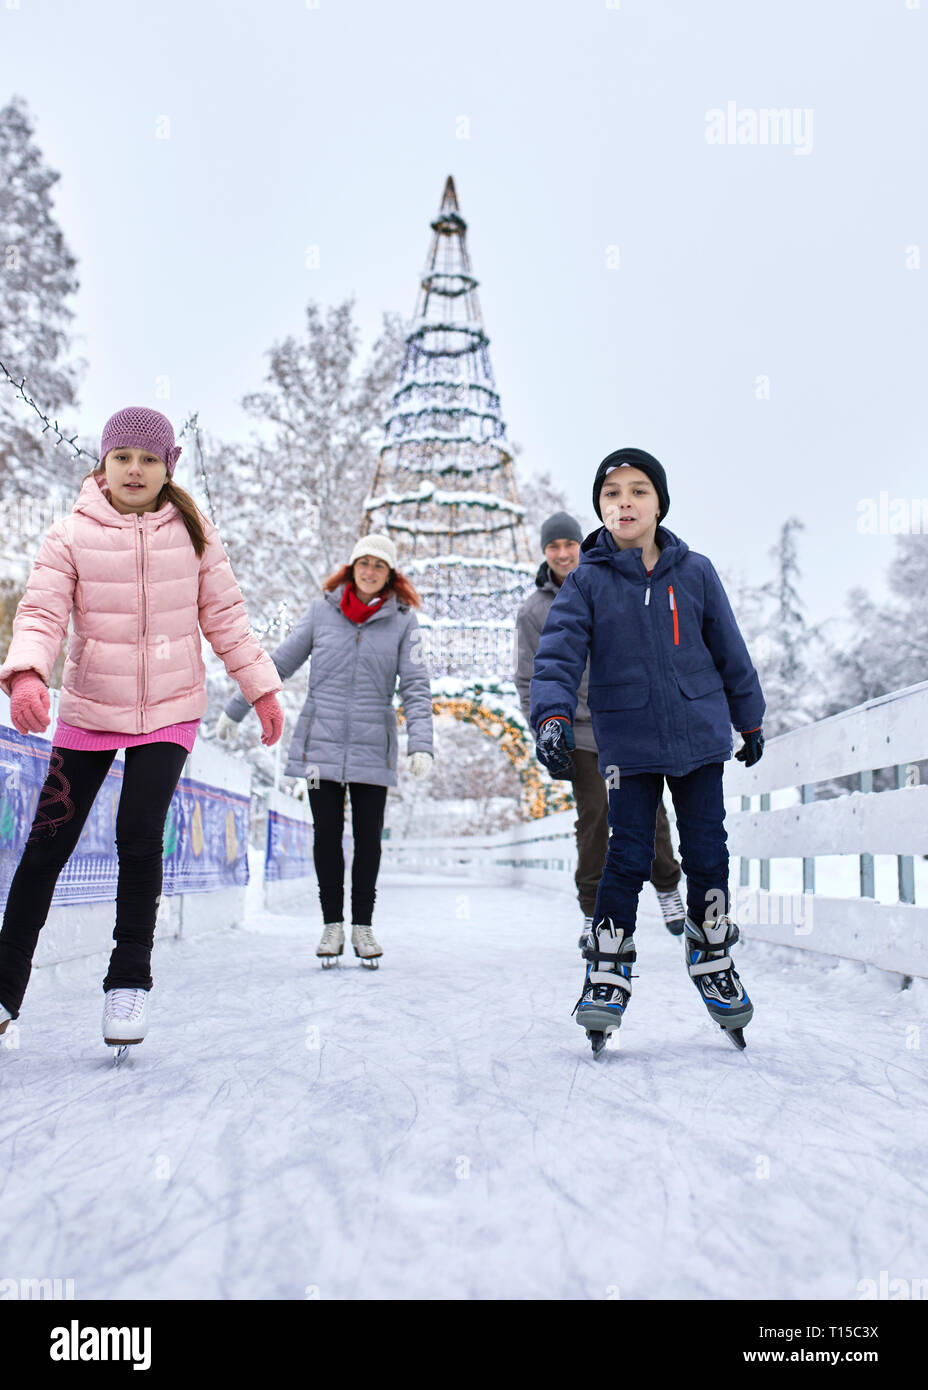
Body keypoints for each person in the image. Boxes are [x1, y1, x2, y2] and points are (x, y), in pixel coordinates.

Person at [0, 406, 284, 1049]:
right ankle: (3, 990)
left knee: (138, 834)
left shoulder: (195, 534)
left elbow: (229, 621)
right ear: (103, 463)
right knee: (48, 843)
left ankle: (128, 983)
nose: (134, 470)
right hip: (89, 708)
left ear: (167, 467)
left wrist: (261, 686)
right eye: (122, 457)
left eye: (148, 459)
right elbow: (42, 612)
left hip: (170, 709)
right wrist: (26, 675)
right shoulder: (69, 534)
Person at [530, 448, 765, 1053]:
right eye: (613, 495)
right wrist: (553, 716)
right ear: (601, 509)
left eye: (638, 491)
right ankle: (608, 964)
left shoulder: (697, 572)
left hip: (699, 735)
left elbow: (729, 648)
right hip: (626, 742)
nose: (625, 502)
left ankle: (711, 945)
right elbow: (556, 656)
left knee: (708, 850)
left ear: (659, 502)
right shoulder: (586, 581)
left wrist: (751, 719)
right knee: (627, 854)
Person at [218, 533, 434, 967]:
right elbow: (279, 662)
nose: (369, 570)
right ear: (351, 568)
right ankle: (332, 925)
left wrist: (421, 745)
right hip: (321, 744)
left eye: (379, 565)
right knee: (326, 837)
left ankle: (364, 927)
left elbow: (415, 684)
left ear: (389, 574)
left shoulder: (404, 621)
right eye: (363, 562)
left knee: (369, 840)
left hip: (374, 744)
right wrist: (236, 708)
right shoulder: (323, 611)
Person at [515, 510, 685, 947]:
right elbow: (528, 675)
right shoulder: (535, 610)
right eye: (553, 547)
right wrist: (546, 729)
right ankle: (593, 911)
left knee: (649, 812)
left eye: (569, 544)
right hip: (580, 730)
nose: (563, 553)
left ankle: (667, 885)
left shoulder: (609, 583)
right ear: (545, 553)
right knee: (594, 816)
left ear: (581, 545)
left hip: (628, 721)